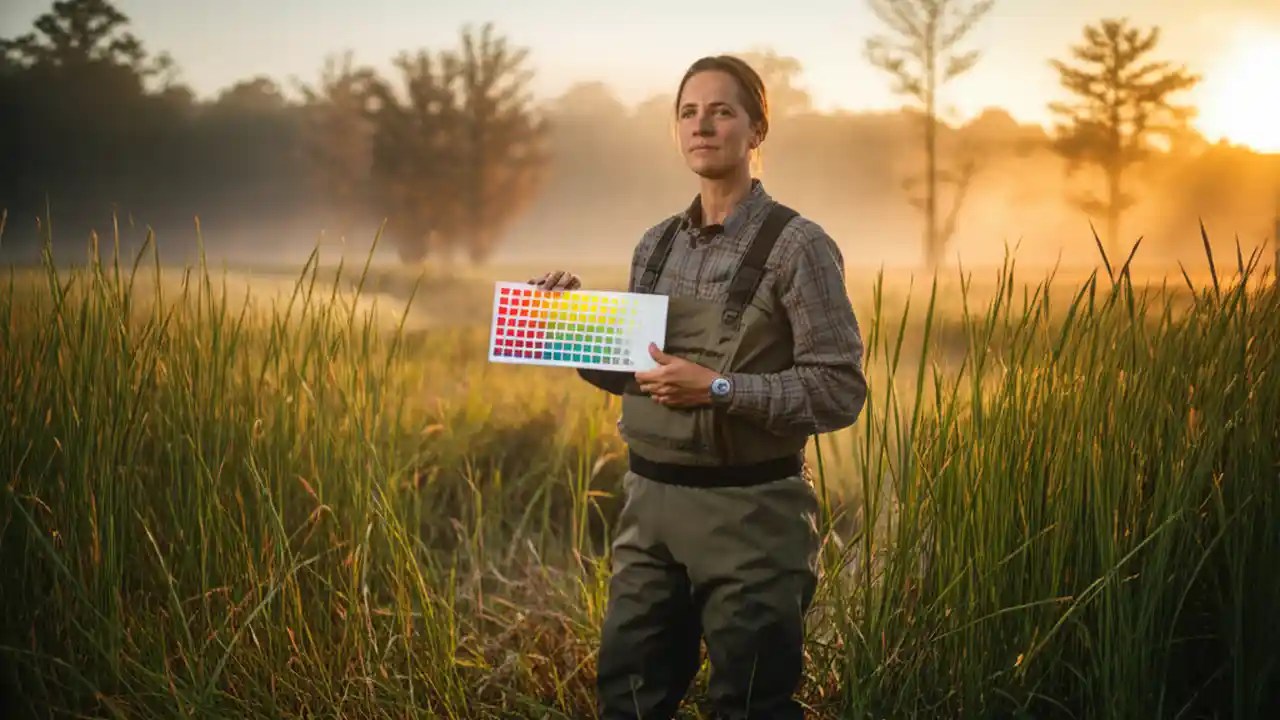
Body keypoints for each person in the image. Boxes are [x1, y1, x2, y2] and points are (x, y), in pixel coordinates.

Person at [530, 55, 867, 720]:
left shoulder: (801, 247)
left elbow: (839, 390)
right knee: (627, 698)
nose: (702, 125)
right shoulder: (655, 245)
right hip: (647, 507)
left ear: (757, 127)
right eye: (688, 112)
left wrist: (718, 389)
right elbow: (631, 373)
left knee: (749, 704)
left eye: (722, 111)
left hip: (750, 515)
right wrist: (566, 324)